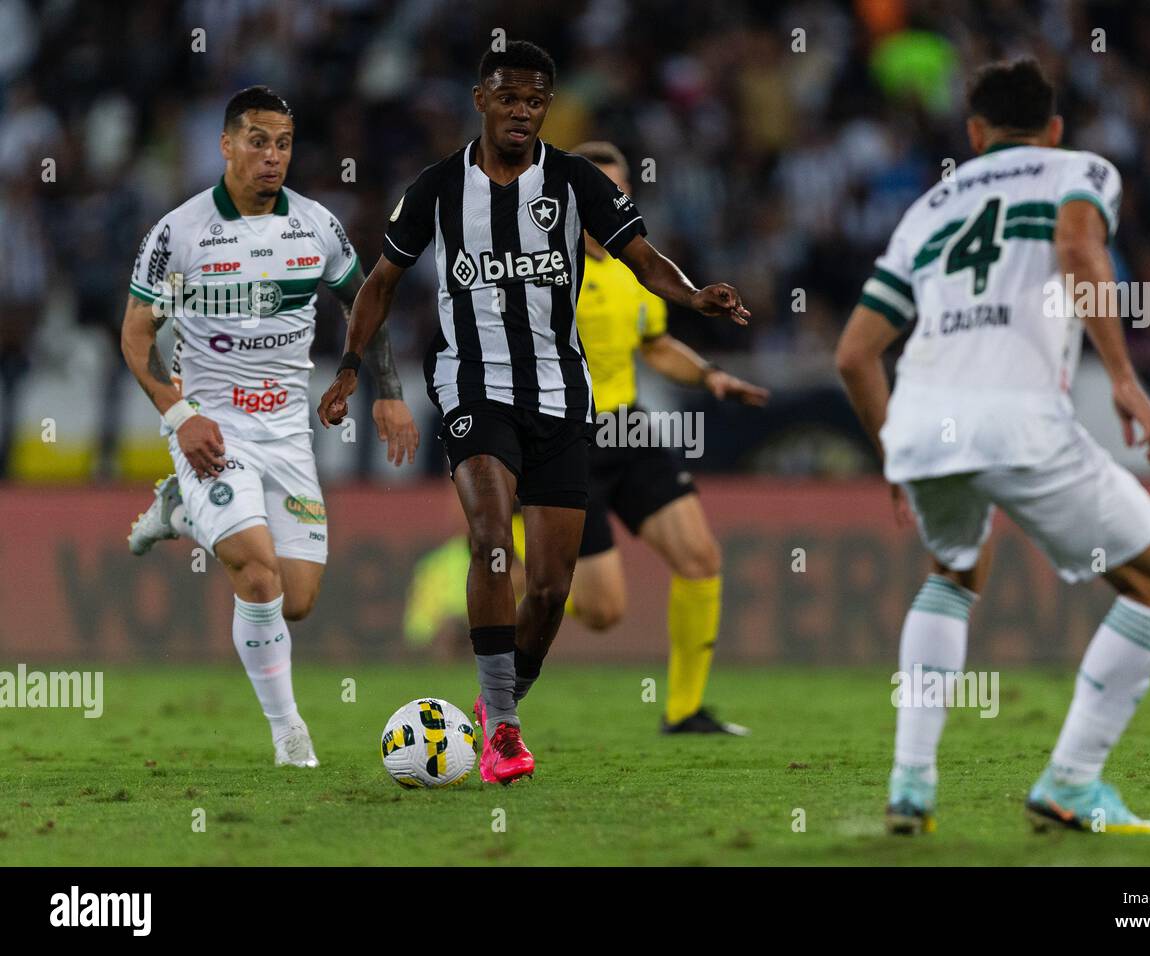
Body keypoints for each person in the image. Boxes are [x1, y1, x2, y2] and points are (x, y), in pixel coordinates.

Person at [317, 41, 750, 785]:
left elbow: (645, 261)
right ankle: (506, 731)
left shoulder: (577, 182)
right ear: (481, 101)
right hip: (471, 387)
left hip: (561, 396)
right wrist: (352, 366)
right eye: (509, 97)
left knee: (552, 587)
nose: (523, 111)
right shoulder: (435, 189)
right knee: (491, 536)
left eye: (536, 100)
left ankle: (497, 706)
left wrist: (693, 294)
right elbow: (382, 282)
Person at [835, 59, 1150, 835]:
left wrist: (894, 450)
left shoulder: (927, 207)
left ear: (974, 134)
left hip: (926, 425)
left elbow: (854, 354)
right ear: (1054, 127)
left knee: (955, 569)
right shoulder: (1080, 168)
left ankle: (911, 786)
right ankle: (1070, 782)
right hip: (1020, 419)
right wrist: (1125, 377)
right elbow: (1076, 244)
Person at [121, 86, 418, 767]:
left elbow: (365, 305)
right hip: (210, 427)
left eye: (283, 143)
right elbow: (137, 338)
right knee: (257, 574)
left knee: (298, 599)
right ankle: (290, 735)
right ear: (226, 145)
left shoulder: (313, 225)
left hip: (286, 430)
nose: (272, 156)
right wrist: (178, 413)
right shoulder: (182, 232)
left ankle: (179, 509)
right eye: (257, 141)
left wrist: (384, 391)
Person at [559, 140, 767, 734]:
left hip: (625, 426)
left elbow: (654, 346)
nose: (609, 200)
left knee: (700, 558)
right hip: (564, 438)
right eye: (597, 189)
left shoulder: (634, 270)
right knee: (603, 612)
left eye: (617, 191)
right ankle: (525, 567)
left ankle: (684, 710)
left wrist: (709, 375)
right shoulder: (547, 269)